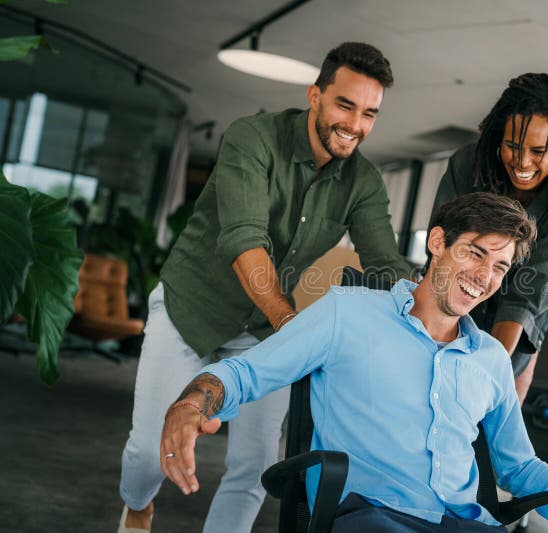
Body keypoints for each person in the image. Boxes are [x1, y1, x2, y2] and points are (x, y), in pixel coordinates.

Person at [160, 193, 548, 532]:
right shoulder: (347, 311)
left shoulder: (492, 359)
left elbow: (519, 468)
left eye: (500, 267)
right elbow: (246, 372)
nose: (485, 277)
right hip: (369, 518)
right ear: (438, 243)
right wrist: (192, 403)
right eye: (474, 254)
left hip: (463, 526)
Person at [117, 42, 411, 533]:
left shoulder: (363, 181)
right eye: (345, 105)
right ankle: (138, 505)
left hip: (262, 327)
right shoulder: (253, 138)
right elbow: (244, 238)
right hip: (192, 307)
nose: (355, 124)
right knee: (151, 451)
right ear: (315, 96)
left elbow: (384, 264)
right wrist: (289, 324)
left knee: (255, 468)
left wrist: (431, 315)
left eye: (369, 114)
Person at [431, 73, 548, 404]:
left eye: (537, 151)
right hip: (443, 315)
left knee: (484, 444)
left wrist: (485, 372)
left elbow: (524, 300)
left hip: (510, 343)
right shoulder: (467, 166)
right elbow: (443, 249)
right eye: (513, 146)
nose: (522, 162)